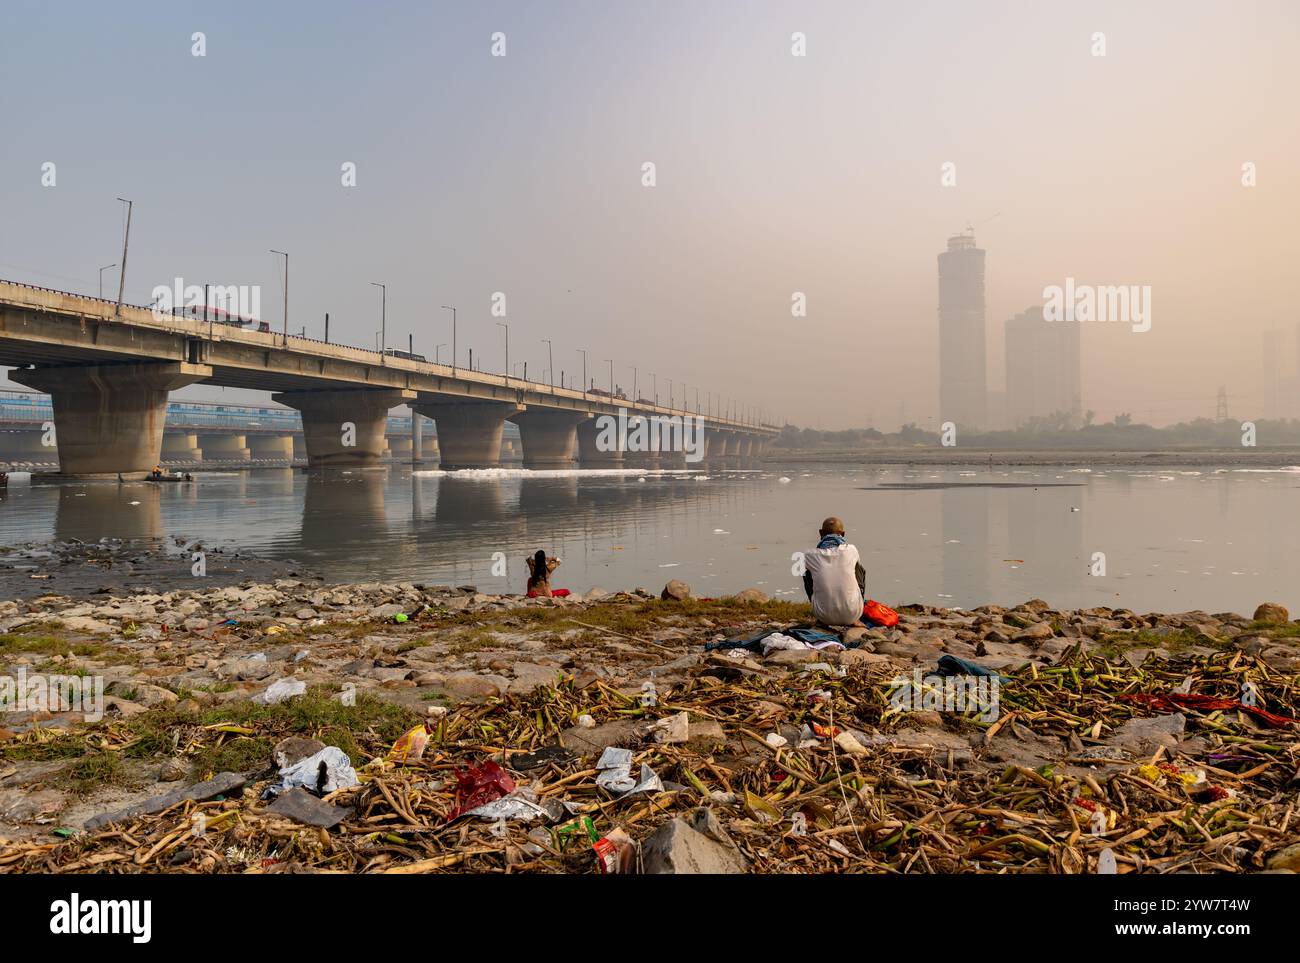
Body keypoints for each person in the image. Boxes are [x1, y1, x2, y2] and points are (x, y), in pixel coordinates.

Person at [801, 516, 866, 626]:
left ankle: (820, 616)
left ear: (820, 533)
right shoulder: (851, 550)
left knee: (806, 571)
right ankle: (856, 617)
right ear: (843, 534)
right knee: (858, 569)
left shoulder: (810, 555)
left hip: (823, 616)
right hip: (852, 614)